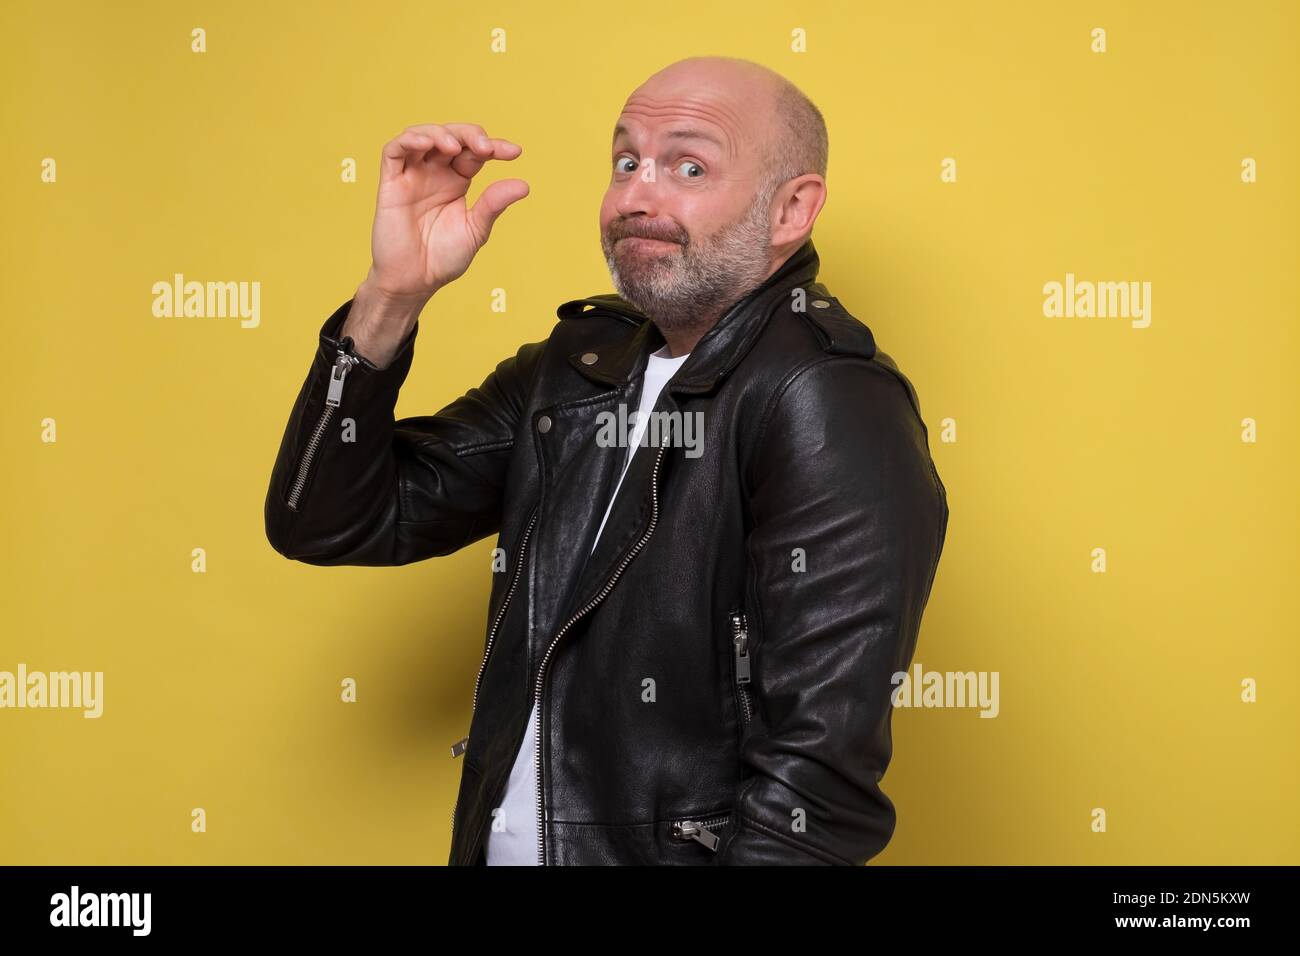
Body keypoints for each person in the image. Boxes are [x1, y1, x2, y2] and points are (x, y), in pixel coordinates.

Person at [264, 55, 950, 865]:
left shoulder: (826, 398)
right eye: (627, 162)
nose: (636, 197)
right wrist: (391, 297)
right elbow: (327, 521)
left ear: (790, 209)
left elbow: (813, 795)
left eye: (689, 167)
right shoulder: (579, 367)